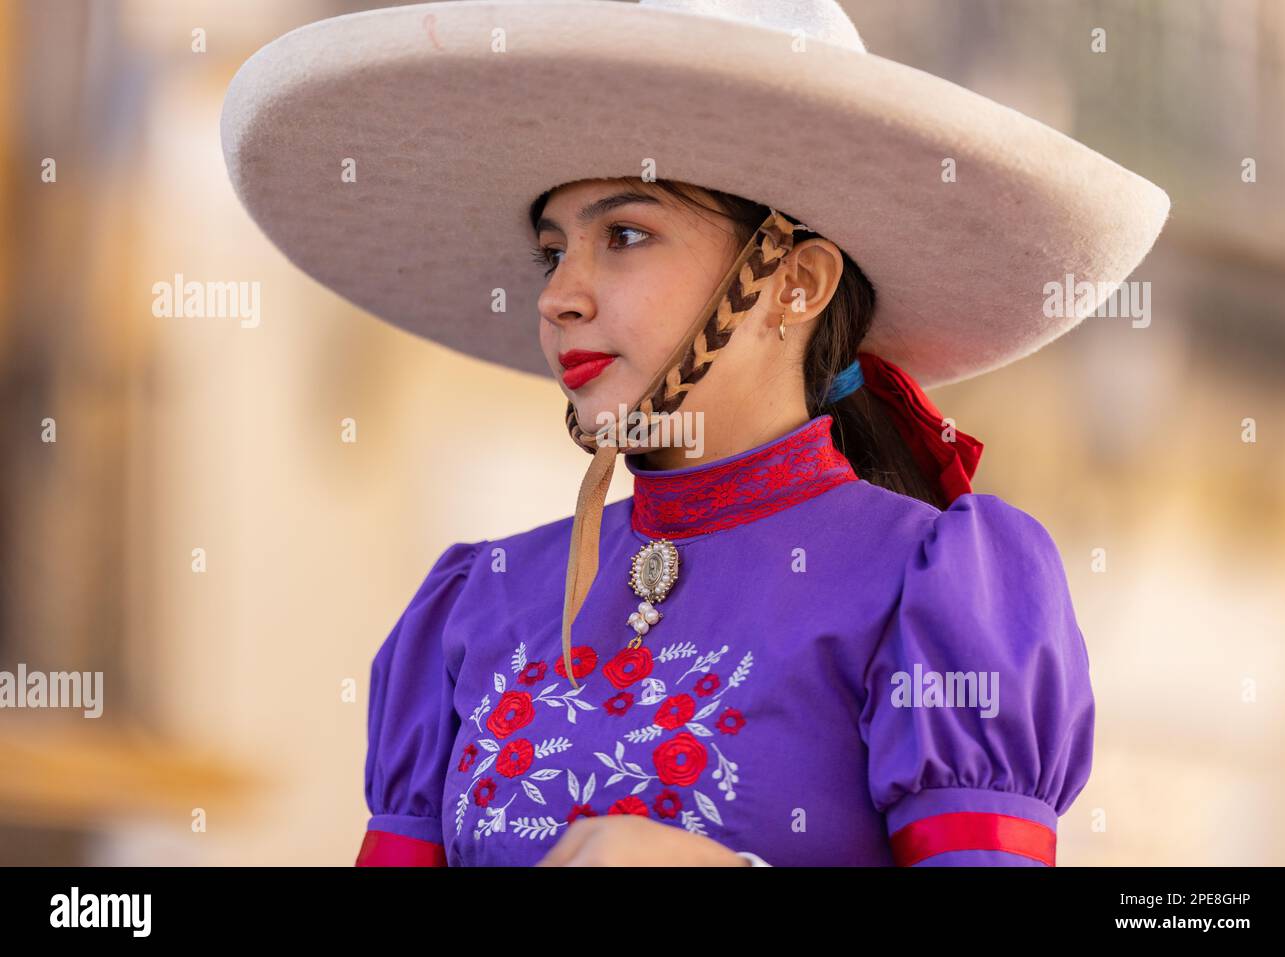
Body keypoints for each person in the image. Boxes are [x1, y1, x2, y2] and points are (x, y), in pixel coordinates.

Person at [221, 0, 1169, 866]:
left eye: (623, 235)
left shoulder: (940, 589)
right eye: (551, 250)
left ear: (796, 280)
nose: (559, 296)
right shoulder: (476, 606)